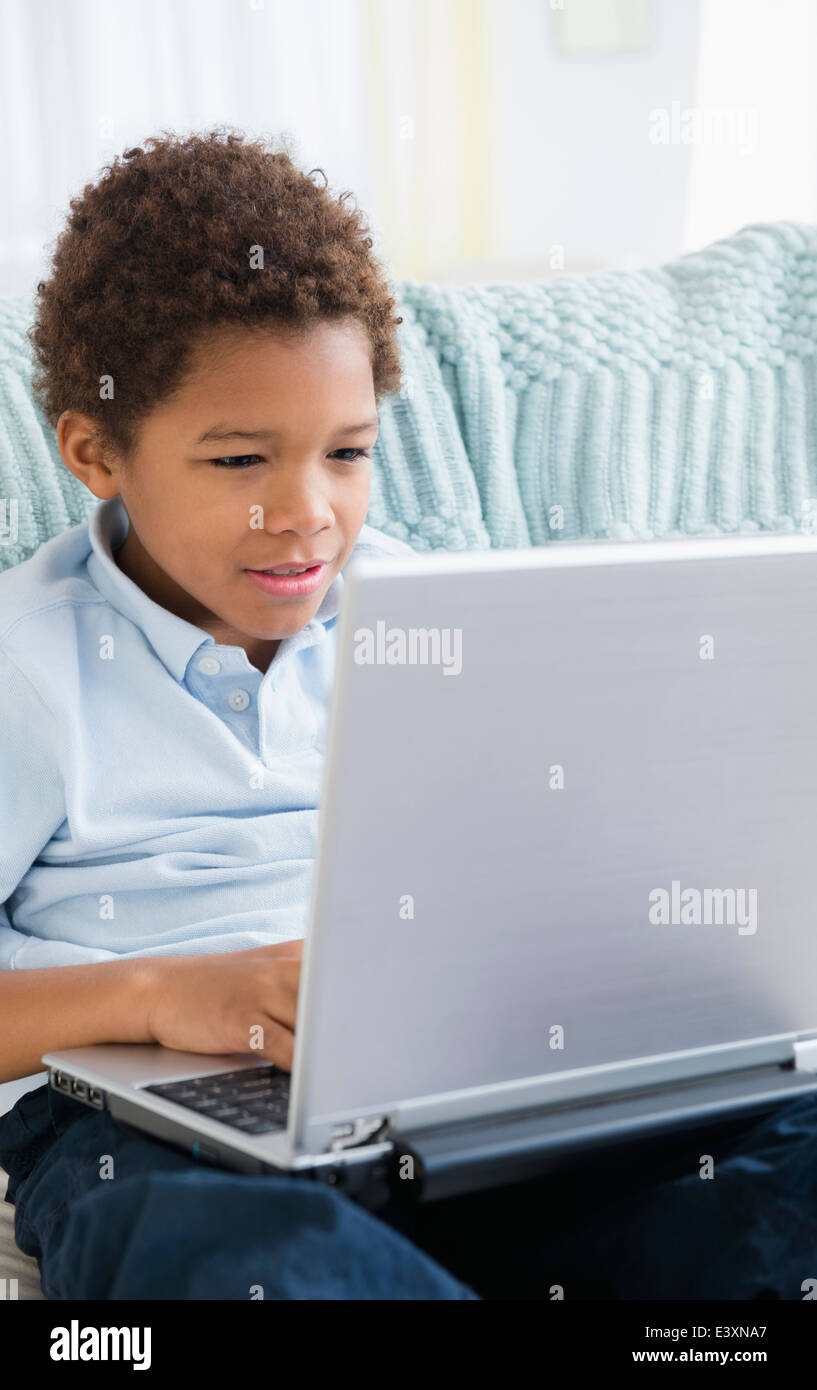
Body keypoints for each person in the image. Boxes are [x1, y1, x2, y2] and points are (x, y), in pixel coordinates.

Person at [2, 129, 815, 1301]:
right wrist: (163, 993)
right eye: (239, 460)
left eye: (347, 452)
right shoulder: (29, 666)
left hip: (442, 1097)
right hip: (149, 1128)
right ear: (95, 451)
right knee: (268, 1264)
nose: (308, 513)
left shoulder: (423, 607)